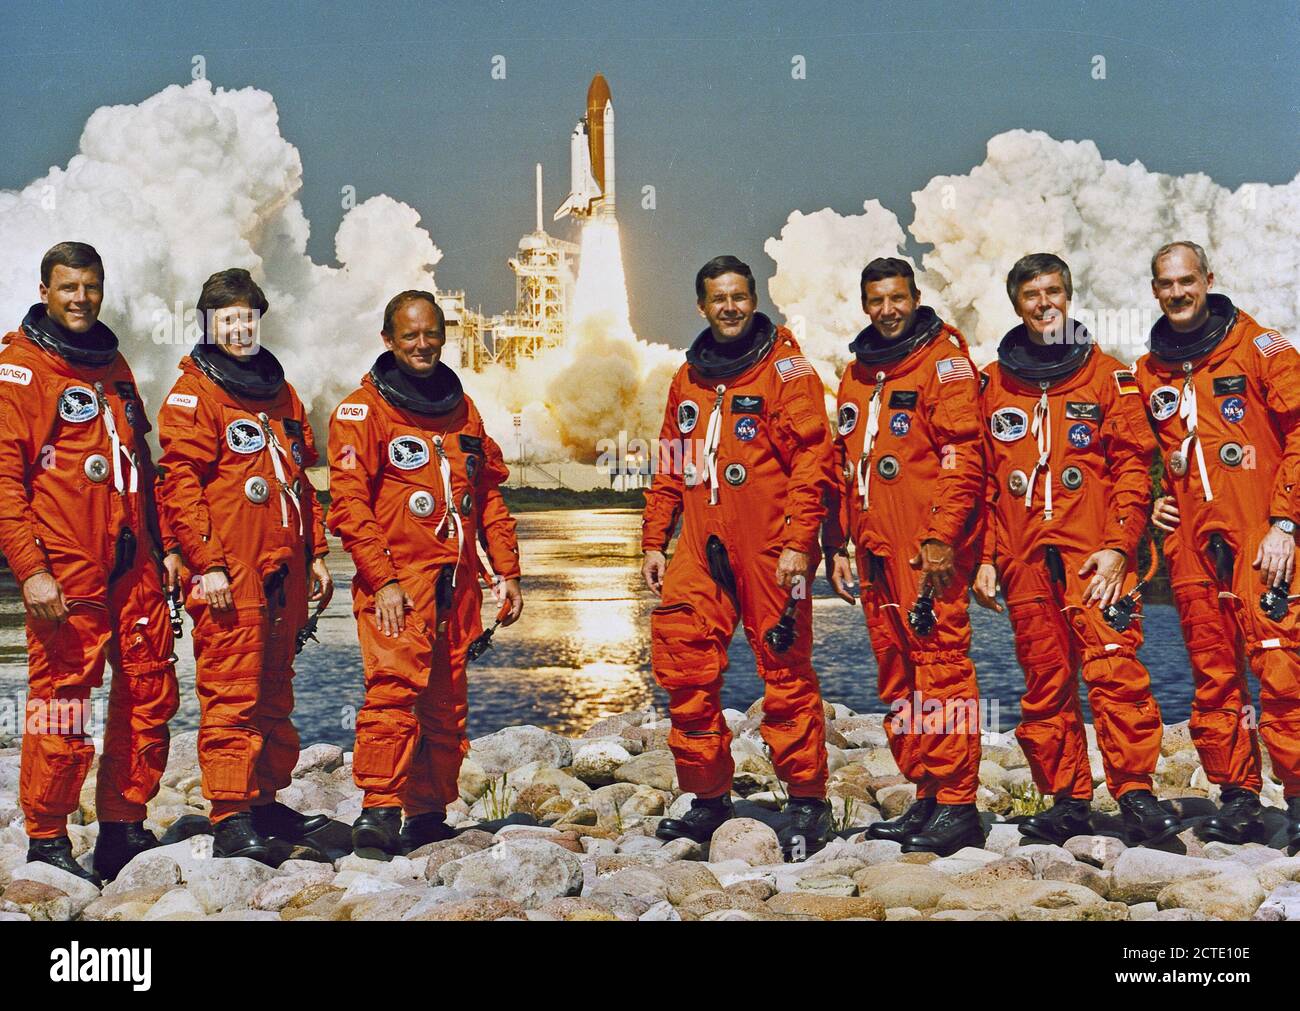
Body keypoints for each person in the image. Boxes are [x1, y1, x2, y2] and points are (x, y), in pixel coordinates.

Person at [973, 252, 1178, 846]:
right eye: (1031, 294)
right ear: (1017, 304)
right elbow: (984, 483)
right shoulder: (992, 384)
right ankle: (1067, 799)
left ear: (1068, 296)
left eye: (1053, 291)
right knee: (1045, 678)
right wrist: (985, 556)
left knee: (1115, 669)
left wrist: (1119, 546)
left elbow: (1134, 469)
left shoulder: (1108, 377)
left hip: (1094, 554)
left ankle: (1135, 793)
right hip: (1022, 555)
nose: (1044, 304)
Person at [642, 255, 835, 858]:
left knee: (784, 668)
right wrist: (654, 539)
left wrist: (800, 542)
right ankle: (708, 799)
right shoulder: (689, 378)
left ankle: (808, 801)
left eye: (739, 297)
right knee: (684, 662)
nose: (729, 307)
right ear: (702, 306)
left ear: (754, 300)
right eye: (718, 299)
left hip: (773, 547)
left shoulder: (785, 370)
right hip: (701, 543)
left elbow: (813, 461)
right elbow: (670, 460)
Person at [0, 242, 179, 883]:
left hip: (133, 561)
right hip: (65, 563)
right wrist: (31, 569)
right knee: (63, 699)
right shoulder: (21, 370)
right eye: (69, 287)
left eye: (91, 287)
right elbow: (5, 482)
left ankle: (122, 826)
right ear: (44, 291)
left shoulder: (112, 364)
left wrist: (166, 548)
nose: (81, 298)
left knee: (149, 685)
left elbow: (141, 465)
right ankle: (47, 838)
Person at [328, 290, 522, 856]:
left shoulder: (463, 411)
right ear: (388, 339)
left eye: (431, 333)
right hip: (399, 583)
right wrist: (383, 581)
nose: (422, 344)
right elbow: (349, 506)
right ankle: (379, 809)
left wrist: (507, 570)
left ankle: (428, 812)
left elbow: (487, 495)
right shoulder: (362, 413)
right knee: (392, 693)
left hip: (455, 585)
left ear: (443, 335)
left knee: (446, 701)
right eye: (409, 335)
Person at [156, 268, 332, 864]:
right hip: (230, 571)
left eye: (246, 316)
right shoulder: (194, 394)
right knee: (231, 692)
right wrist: (205, 564)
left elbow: (299, 480)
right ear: (209, 324)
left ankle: (264, 800)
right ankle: (231, 815)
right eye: (227, 318)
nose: (238, 327)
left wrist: (317, 552)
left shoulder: (281, 393)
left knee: (274, 692)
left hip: (284, 568)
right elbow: (180, 486)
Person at [1135, 241, 1300, 852]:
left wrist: (1286, 523)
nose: (1178, 293)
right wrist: (1153, 502)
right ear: (1155, 290)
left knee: (1280, 669)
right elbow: (1135, 455)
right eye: (1166, 284)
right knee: (1213, 673)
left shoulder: (1260, 348)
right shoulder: (1149, 372)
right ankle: (1239, 800)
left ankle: (1299, 799)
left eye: (1187, 281)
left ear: (1208, 279)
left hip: (1262, 534)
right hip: (1191, 542)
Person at [822, 257, 985, 856]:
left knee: (941, 669)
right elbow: (843, 467)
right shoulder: (859, 373)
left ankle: (959, 805)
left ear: (915, 297)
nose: (887, 310)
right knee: (899, 673)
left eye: (897, 298)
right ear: (865, 304)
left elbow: (964, 458)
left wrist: (941, 537)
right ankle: (927, 792)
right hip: (872, 548)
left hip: (924, 550)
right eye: (876, 301)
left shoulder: (944, 364)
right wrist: (836, 542)